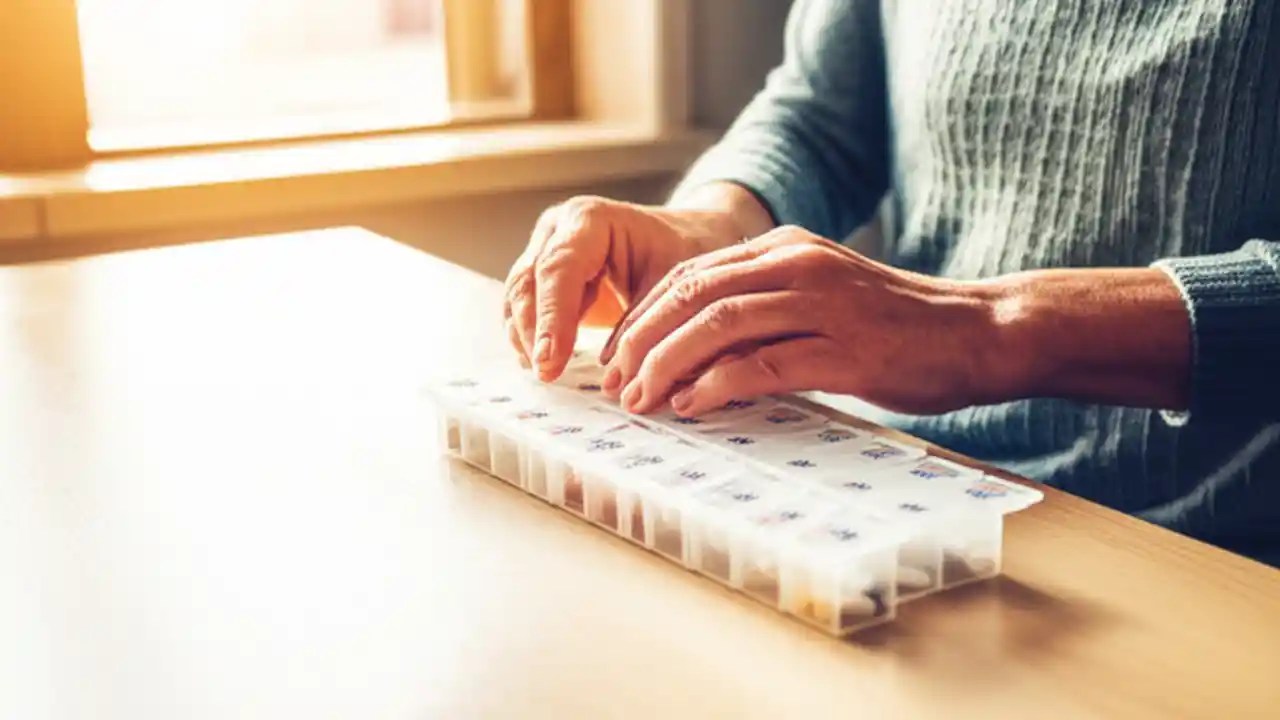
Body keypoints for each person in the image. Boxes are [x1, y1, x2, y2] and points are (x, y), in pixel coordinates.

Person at [502, 0, 1280, 565]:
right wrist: (713, 226)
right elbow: (822, 118)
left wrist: (984, 329)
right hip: (894, 485)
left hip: (1203, 549)